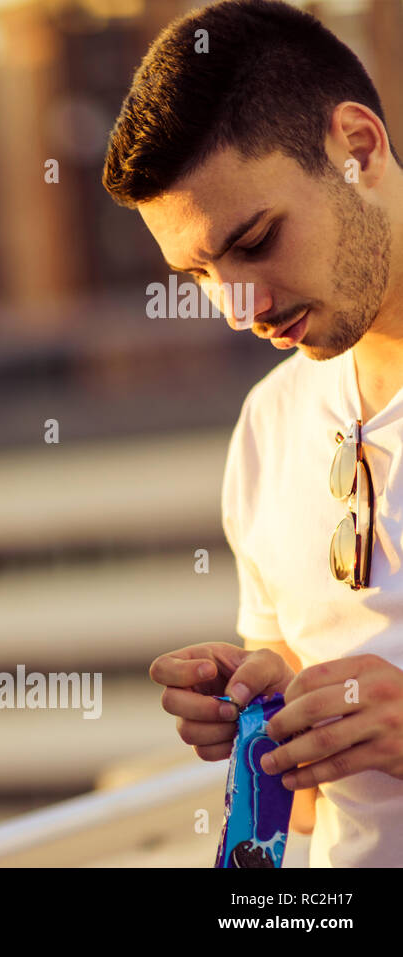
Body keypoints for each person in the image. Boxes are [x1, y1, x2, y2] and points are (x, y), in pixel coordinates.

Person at [104, 0, 403, 866]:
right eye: (200, 272)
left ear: (358, 147)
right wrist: (260, 719)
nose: (239, 308)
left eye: (257, 240)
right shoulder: (269, 427)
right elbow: (311, 810)